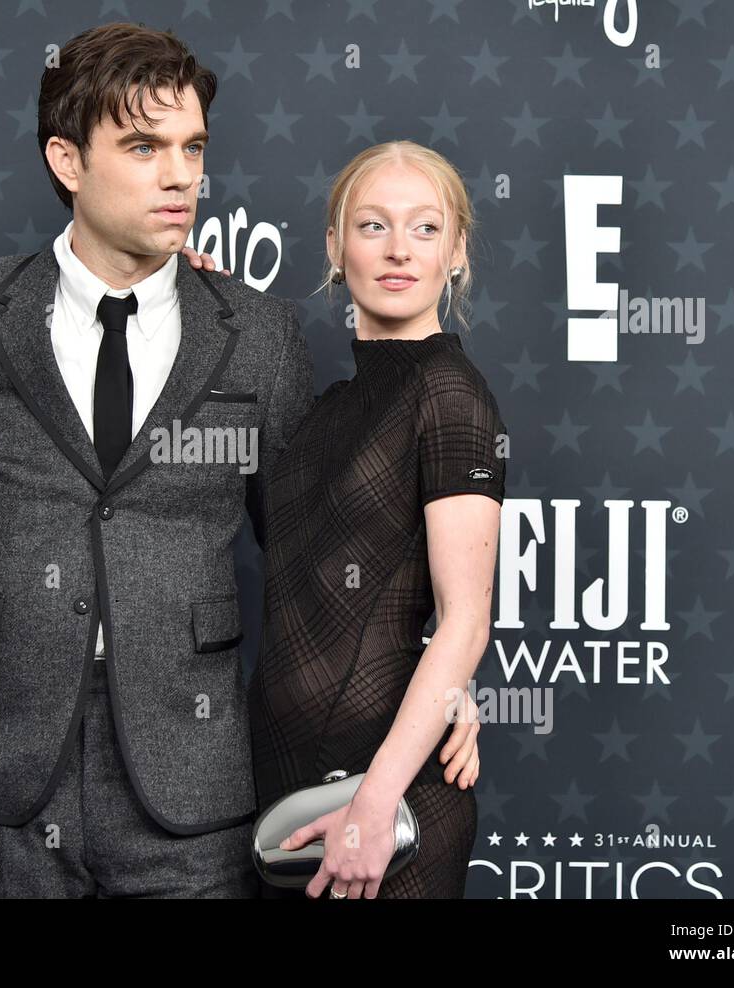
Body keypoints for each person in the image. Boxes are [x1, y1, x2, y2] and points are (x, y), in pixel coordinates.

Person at [0, 19, 482, 898]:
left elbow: (313, 555)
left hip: (193, 779)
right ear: (67, 161)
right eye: (143, 146)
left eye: (193, 147)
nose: (181, 175)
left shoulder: (255, 334)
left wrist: (435, 677)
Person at [190, 141, 505, 899]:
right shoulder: (323, 412)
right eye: (372, 226)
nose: (399, 250)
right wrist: (201, 303)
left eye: (425, 228)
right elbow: (301, 559)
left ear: (456, 251)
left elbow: (466, 621)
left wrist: (375, 800)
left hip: (388, 806)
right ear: (334, 247)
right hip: (281, 786)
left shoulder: (449, 394)